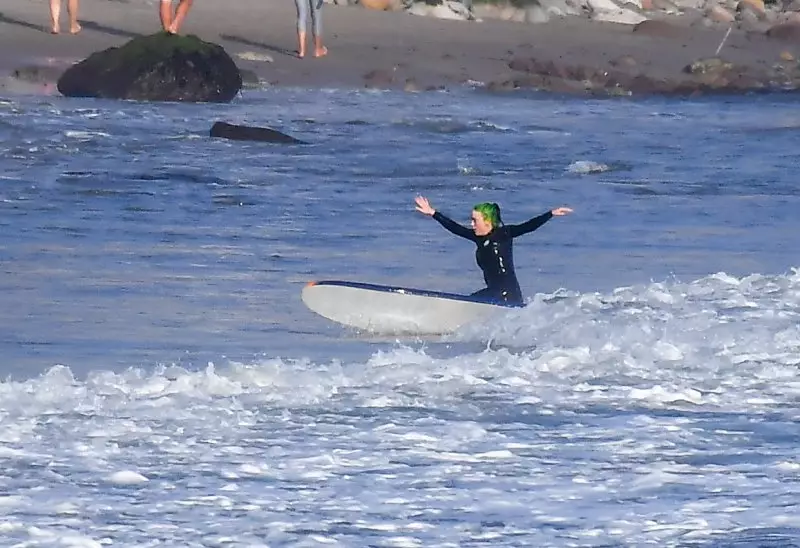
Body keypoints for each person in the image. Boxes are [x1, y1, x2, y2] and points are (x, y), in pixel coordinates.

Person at [414, 195, 573, 307]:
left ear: (488, 221)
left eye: (475, 220)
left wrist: (550, 214)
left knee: (469, 302)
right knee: (469, 301)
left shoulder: (504, 234)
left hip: (507, 296)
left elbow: (529, 226)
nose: (472, 224)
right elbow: (455, 228)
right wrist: (433, 213)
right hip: (494, 294)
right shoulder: (478, 237)